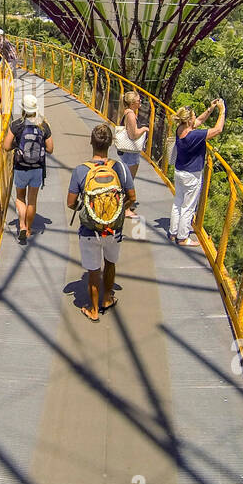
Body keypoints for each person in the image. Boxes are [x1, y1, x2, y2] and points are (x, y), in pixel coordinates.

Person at [67, 124, 137, 322]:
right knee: (110, 263)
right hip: (113, 229)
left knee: (93, 271)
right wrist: (115, 211)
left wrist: (89, 208)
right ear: (111, 143)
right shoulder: (120, 167)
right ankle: (107, 298)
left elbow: (71, 203)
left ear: (91, 141)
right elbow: (132, 196)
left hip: (90, 230)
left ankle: (94, 309)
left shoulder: (80, 171)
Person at [170, 99, 226, 246]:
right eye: (193, 116)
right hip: (191, 175)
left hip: (179, 171)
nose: (195, 118)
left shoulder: (180, 129)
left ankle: (173, 232)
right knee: (188, 206)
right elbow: (218, 129)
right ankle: (182, 237)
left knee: (178, 202)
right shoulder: (194, 136)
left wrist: (210, 109)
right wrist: (222, 111)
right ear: (189, 120)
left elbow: (199, 121)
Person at [2, 93, 53, 243]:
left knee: (20, 198)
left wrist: (16, 146)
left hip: (20, 167)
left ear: (22, 109)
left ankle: (22, 226)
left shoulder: (17, 124)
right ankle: (29, 229)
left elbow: (6, 146)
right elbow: (50, 149)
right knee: (32, 201)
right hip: (37, 168)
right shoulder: (43, 125)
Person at [115, 90, 149, 220]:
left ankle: (124, 205)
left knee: (126, 179)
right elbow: (133, 134)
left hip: (128, 153)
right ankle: (125, 208)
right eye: (138, 100)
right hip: (130, 152)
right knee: (128, 180)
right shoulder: (130, 115)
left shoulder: (128, 112)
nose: (140, 102)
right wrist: (144, 129)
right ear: (133, 102)